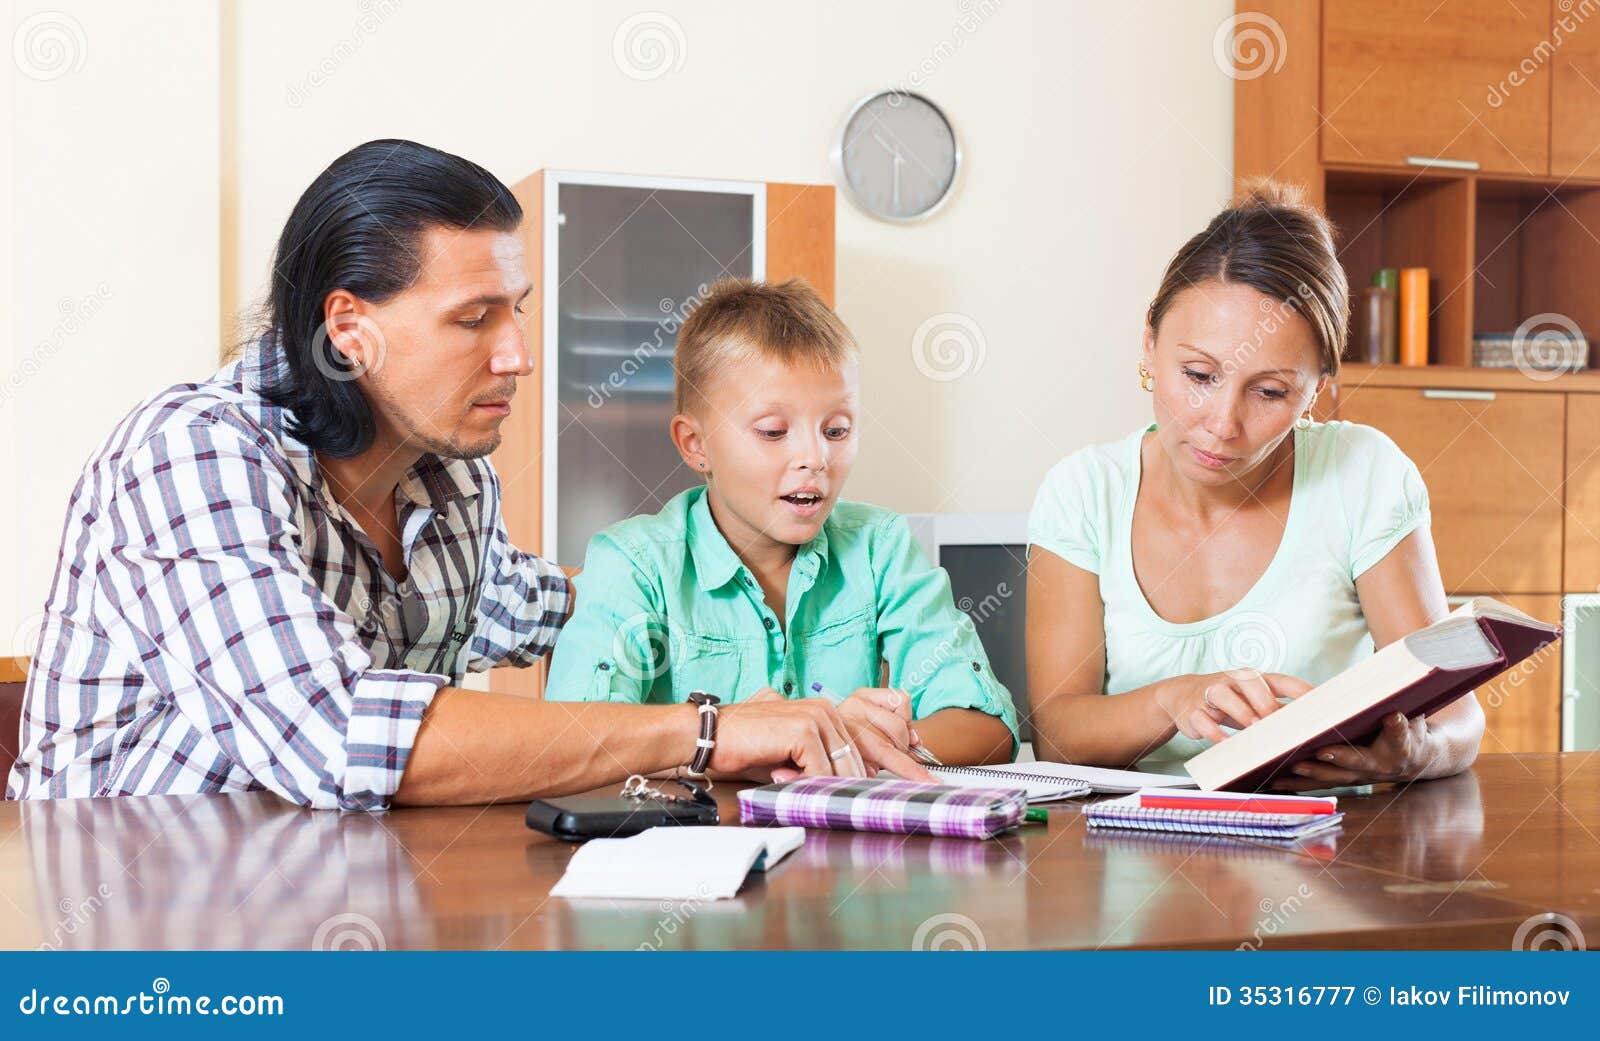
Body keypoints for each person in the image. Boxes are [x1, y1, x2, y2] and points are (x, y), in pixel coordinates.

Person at [7, 139, 913, 810]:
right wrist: (712, 727)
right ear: (349, 327)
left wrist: (739, 575)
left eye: (516, 310)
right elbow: (340, 735)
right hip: (131, 928)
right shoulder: (192, 455)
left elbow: (557, 602)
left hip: (329, 904)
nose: (519, 354)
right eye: (474, 317)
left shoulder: (451, 485)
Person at [1025, 181, 1484, 790]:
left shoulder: (1365, 474)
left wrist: (1413, 756)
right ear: (1148, 345)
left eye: (1270, 392)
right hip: (1138, 851)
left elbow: (1457, 718)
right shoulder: (1083, 491)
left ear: (1316, 390)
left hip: (1328, 850)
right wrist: (1174, 701)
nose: (1222, 423)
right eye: (1198, 374)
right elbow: (1057, 734)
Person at [544, 278, 1018, 769]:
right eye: (773, 432)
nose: (816, 457)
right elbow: (578, 741)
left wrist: (844, 739)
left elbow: (986, 724)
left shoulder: (880, 547)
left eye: (837, 430)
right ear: (695, 445)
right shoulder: (634, 564)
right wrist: (743, 739)